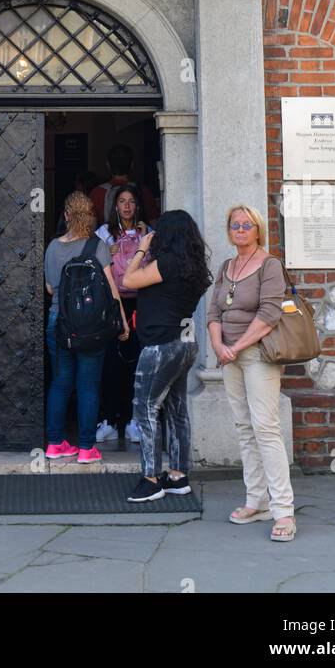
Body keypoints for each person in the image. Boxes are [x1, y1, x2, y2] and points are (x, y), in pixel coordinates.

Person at [206, 203, 295, 542]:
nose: (240, 230)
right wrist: (218, 346)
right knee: (244, 428)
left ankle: (283, 510)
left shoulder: (270, 265)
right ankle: (256, 501)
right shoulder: (227, 266)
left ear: (258, 229)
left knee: (266, 428)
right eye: (235, 225)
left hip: (258, 354)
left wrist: (238, 346)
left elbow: (270, 312)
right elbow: (213, 309)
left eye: (247, 225)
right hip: (229, 356)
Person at [121, 209, 212, 502]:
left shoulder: (168, 262)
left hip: (161, 345)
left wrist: (141, 248)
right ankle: (177, 475)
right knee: (176, 411)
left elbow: (129, 281)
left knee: (145, 410)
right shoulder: (194, 267)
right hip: (185, 344)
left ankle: (150, 480)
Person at [44, 191, 128, 464]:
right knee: (88, 385)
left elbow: (48, 288)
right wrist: (123, 321)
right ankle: (86, 448)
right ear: (90, 216)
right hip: (91, 326)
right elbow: (111, 289)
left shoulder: (53, 247)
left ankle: (55, 444)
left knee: (60, 383)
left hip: (59, 322)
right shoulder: (98, 246)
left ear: (66, 215)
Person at [94, 183, 149, 446]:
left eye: (131, 201)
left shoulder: (148, 232)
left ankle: (132, 421)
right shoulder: (104, 234)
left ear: (137, 205)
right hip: (111, 304)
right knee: (109, 364)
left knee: (137, 363)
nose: (127, 206)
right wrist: (107, 252)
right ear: (115, 206)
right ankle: (108, 420)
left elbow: (154, 264)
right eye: (122, 201)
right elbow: (92, 265)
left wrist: (145, 238)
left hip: (139, 304)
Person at [90, 142, 160, 227]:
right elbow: (154, 224)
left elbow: (90, 227)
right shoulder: (143, 191)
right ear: (132, 165)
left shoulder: (97, 193)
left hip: (106, 239)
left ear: (108, 165)